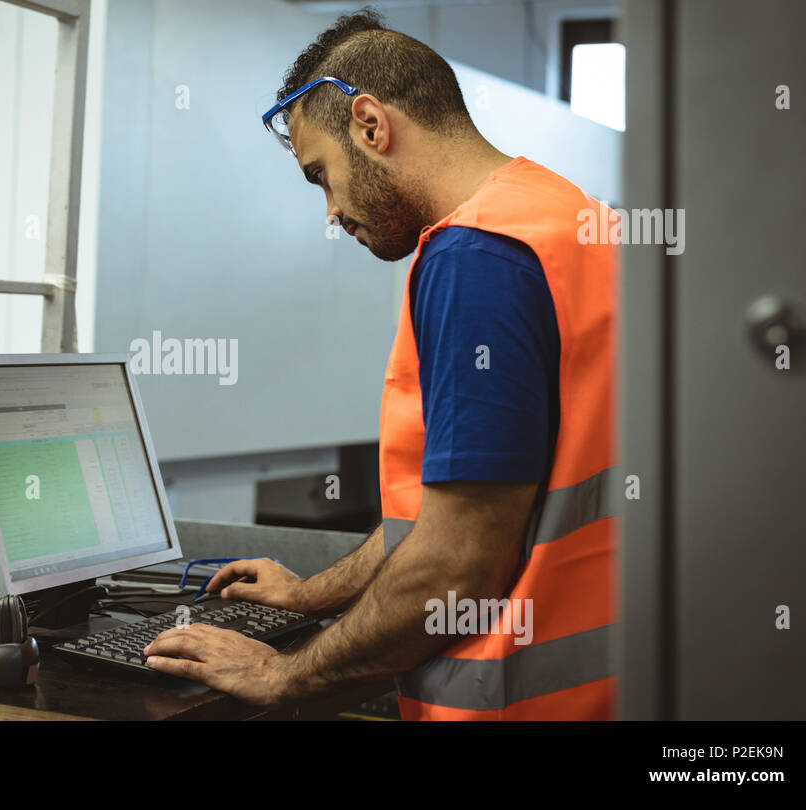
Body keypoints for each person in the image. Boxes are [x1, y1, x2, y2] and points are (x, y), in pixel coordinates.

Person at [143, 9, 618, 720]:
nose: (331, 213)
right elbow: (446, 516)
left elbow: (457, 563)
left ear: (371, 126)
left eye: (321, 177)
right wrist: (310, 596)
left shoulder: (476, 259)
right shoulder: (558, 212)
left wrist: (284, 676)